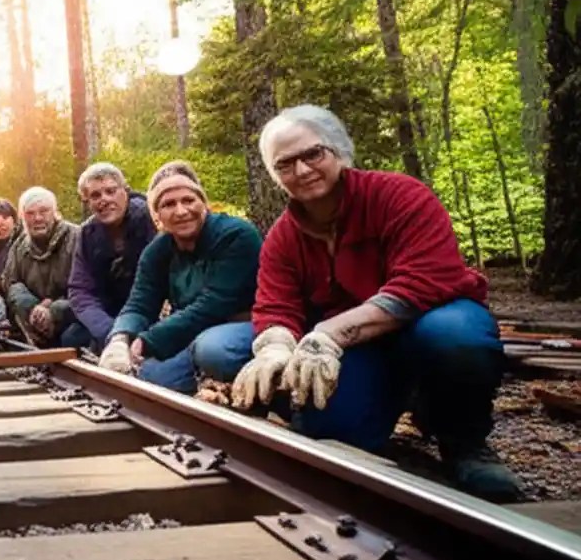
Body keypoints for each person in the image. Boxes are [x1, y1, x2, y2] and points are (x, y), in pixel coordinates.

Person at [227, 105, 520, 501]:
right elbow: (275, 305)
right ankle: (402, 395)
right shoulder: (282, 237)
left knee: (455, 336)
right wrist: (275, 348)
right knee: (333, 432)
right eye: (285, 164)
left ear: (339, 152)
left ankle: (464, 441)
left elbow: (424, 280)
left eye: (313, 154)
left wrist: (328, 333)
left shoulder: (400, 196)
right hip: (361, 348)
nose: (301, 170)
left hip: (425, 321)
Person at [97, 162, 262, 393]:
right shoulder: (158, 251)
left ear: (203, 204)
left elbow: (214, 304)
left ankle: (247, 388)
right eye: (168, 204)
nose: (181, 211)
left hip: (245, 324)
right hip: (192, 331)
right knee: (149, 375)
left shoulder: (236, 235)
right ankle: (203, 387)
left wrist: (147, 341)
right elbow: (140, 304)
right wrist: (120, 338)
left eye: (188, 200)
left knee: (213, 349)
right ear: (158, 216)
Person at [67, 163, 157, 354]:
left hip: (152, 310)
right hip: (111, 315)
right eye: (95, 195)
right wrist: (109, 331)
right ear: (87, 202)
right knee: (72, 337)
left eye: (110, 191)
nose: (104, 200)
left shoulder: (151, 220)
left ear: (125, 191)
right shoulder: (87, 234)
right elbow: (80, 290)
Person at [0, 188, 86, 348]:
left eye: (44, 211)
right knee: (16, 291)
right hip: (33, 316)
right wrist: (32, 309)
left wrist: (51, 308)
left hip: (73, 312)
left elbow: (88, 288)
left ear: (55, 213)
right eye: (30, 214)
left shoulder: (78, 237)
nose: (37, 218)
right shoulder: (19, 246)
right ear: (22, 218)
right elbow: (10, 283)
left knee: (71, 337)